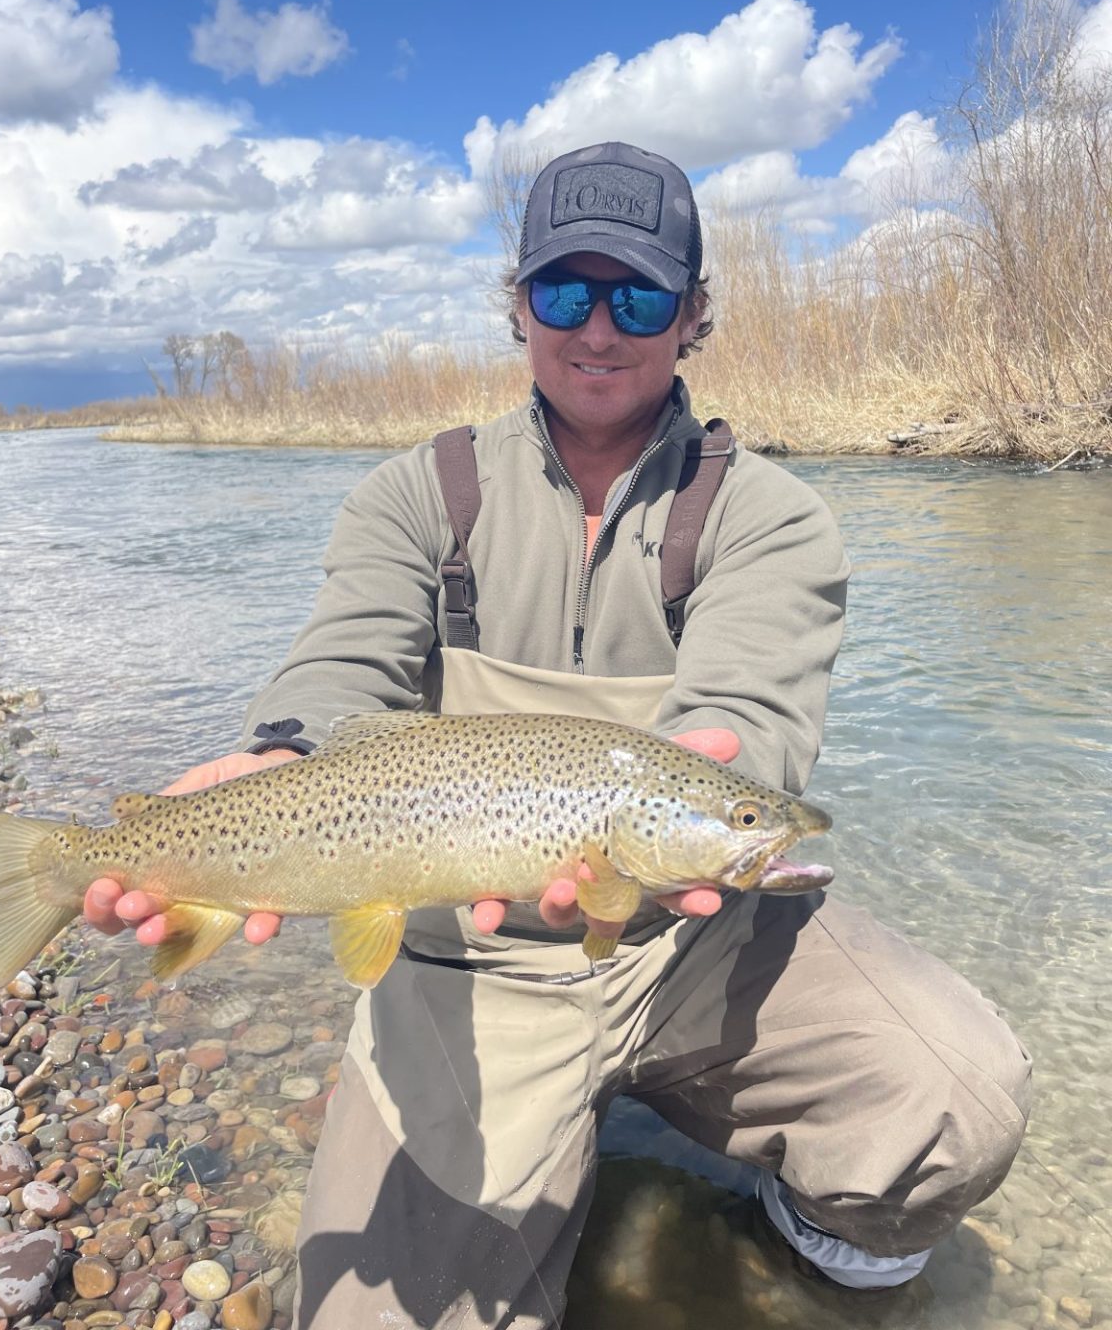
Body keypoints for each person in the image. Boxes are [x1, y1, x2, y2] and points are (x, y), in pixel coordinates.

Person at [85, 142, 1031, 1329]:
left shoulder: (770, 516)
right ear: (517, 306)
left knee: (959, 1107)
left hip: (693, 943)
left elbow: (751, 723)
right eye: (562, 291)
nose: (598, 327)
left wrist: (731, 783)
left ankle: (809, 1243)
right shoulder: (418, 494)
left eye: (637, 295)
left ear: (691, 315)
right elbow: (344, 665)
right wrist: (280, 758)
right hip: (463, 959)